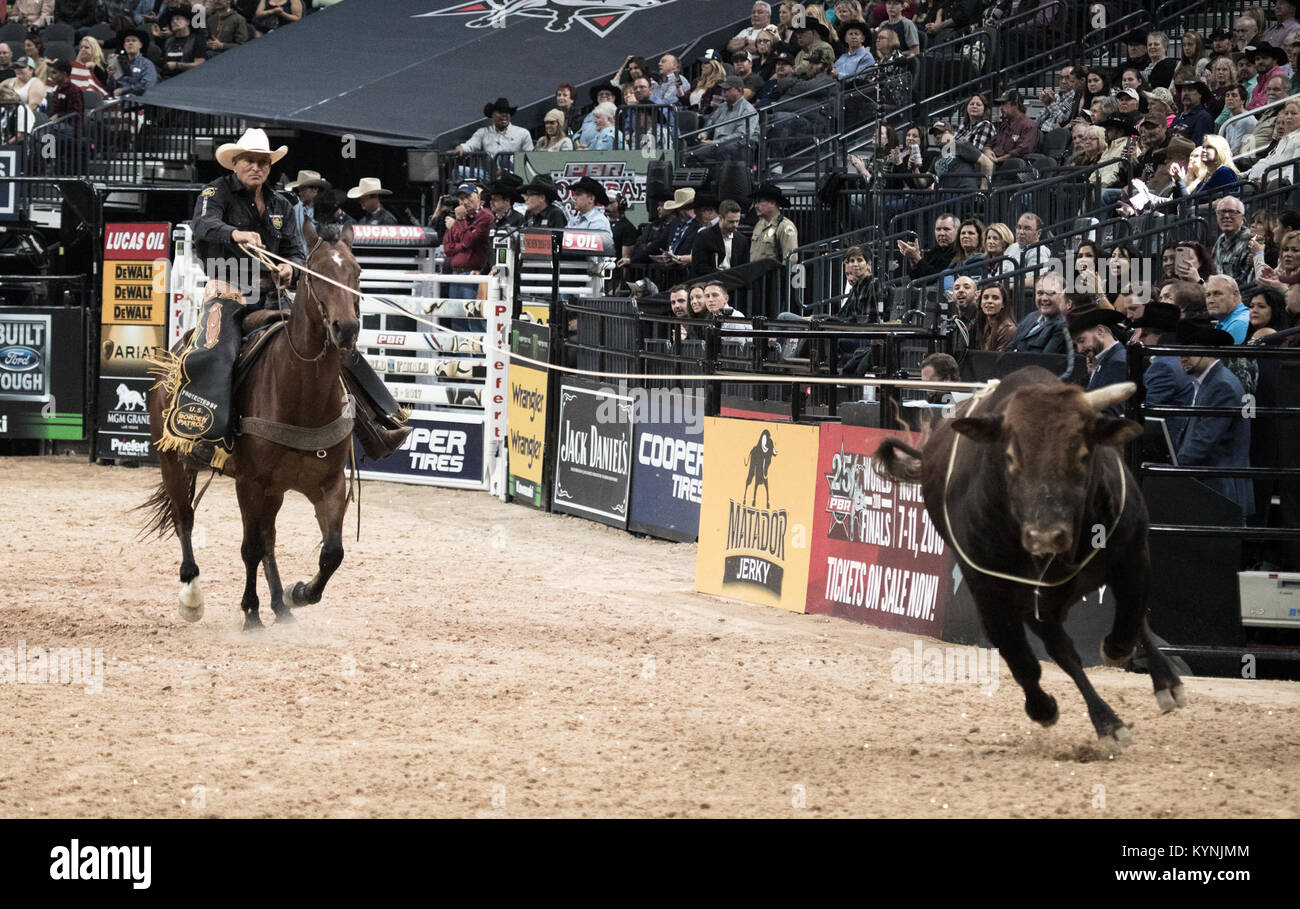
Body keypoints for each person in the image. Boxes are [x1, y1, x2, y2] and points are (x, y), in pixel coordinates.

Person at [171, 128, 408, 465]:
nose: (257, 167)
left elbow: (297, 252)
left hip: (275, 295)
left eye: (263, 162)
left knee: (333, 345)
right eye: (250, 161)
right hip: (228, 290)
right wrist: (235, 233)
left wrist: (292, 271)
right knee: (219, 351)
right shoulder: (216, 192)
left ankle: (377, 426)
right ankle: (206, 434)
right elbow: (204, 224)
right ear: (235, 163)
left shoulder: (283, 202)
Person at [1172, 319, 1253, 515]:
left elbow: (1203, 440)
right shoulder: (1211, 381)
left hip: (1221, 488)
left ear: (1207, 350)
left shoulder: (1220, 385)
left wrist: (1175, 466)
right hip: (1213, 483)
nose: (1182, 357)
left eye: (1189, 350)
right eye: (1180, 351)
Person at [1068, 304, 1129, 414]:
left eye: (1081, 341)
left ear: (1100, 331)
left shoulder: (1118, 363)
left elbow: (1111, 413)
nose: (1080, 349)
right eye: (1076, 344)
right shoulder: (1104, 361)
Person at [685, 76, 758, 164]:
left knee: (691, 155)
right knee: (684, 152)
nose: (723, 93)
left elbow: (741, 135)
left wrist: (715, 142)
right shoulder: (722, 106)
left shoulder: (748, 110)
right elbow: (711, 122)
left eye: (727, 90)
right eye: (723, 90)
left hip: (732, 148)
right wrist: (705, 133)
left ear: (738, 90)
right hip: (716, 146)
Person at [442, 180, 493, 298]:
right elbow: (448, 248)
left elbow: (468, 241)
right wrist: (462, 245)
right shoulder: (460, 218)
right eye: (461, 198)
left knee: (473, 314)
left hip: (473, 274)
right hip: (455, 274)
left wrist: (458, 221)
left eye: (468, 196)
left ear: (478, 197)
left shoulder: (485, 216)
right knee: (455, 314)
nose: (465, 202)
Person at [455, 98, 534, 157]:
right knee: (459, 171)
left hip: (513, 176)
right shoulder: (483, 132)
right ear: (492, 115)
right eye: (500, 112)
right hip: (488, 174)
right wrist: (461, 147)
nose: (504, 115)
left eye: (506, 112)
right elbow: (470, 145)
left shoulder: (523, 133)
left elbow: (530, 158)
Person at [1010, 272, 1068, 353]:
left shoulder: (1063, 326)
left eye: (1050, 293)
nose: (1044, 298)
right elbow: (1010, 348)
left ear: (1063, 295)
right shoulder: (1031, 317)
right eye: (1040, 293)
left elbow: (1044, 360)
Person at [691, 199, 750, 276]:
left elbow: (744, 268)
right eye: (731, 222)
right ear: (721, 218)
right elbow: (699, 266)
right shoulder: (704, 237)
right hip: (708, 281)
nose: (735, 225)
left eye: (737, 221)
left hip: (734, 283)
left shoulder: (742, 240)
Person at [1211, 196, 1255, 290]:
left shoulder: (1250, 242)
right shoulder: (1220, 240)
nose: (1226, 216)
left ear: (1242, 217)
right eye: (1222, 212)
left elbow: (1244, 281)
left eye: (1232, 212)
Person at [749, 183, 798, 264]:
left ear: (772, 203)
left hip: (773, 275)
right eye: (755, 202)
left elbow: (791, 259)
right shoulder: (759, 224)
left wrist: (781, 275)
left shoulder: (785, 226)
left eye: (760, 202)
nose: (756, 206)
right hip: (756, 274)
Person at [112, 29, 157, 99]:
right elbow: (114, 86)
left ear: (140, 45)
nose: (130, 43)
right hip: (119, 100)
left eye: (134, 40)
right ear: (124, 46)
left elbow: (147, 85)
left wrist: (123, 90)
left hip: (139, 101)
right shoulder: (119, 63)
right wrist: (110, 77)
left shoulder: (147, 64)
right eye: (127, 41)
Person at [161, 7, 206, 78]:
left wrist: (177, 65)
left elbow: (200, 65)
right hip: (167, 79)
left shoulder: (197, 40)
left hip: (188, 79)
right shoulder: (168, 40)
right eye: (172, 20)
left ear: (188, 22)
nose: (174, 21)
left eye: (178, 19)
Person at [566, 176, 613, 241]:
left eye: (578, 194)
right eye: (575, 194)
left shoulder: (599, 221)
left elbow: (594, 249)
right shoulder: (574, 220)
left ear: (591, 199)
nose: (574, 198)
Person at [974, 282, 1017, 350]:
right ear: (981, 303)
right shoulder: (984, 324)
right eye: (986, 297)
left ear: (1003, 304)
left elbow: (998, 359)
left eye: (995, 298)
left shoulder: (1008, 330)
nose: (989, 301)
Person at [285, 169, 328, 234]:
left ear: (315, 189)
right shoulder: (295, 210)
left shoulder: (327, 209)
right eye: (298, 190)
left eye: (302, 189)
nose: (299, 193)